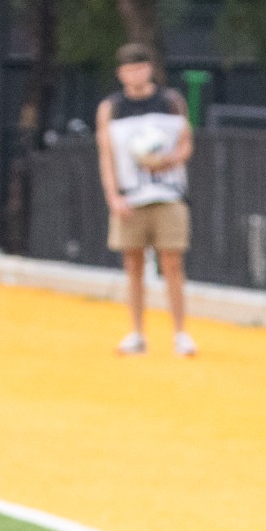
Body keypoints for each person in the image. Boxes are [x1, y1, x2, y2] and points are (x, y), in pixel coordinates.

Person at [97, 43, 195, 357]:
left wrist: (167, 161)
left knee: (172, 262)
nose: (135, 75)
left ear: (149, 69)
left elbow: (186, 143)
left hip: (168, 194)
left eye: (140, 68)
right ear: (121, 74)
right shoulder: (111, 108)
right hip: (131, 197)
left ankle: (180, 333)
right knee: (133, 264)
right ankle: (137, 333)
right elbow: (106, 156)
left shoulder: (171, 101)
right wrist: (113, 197)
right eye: (129, 70)